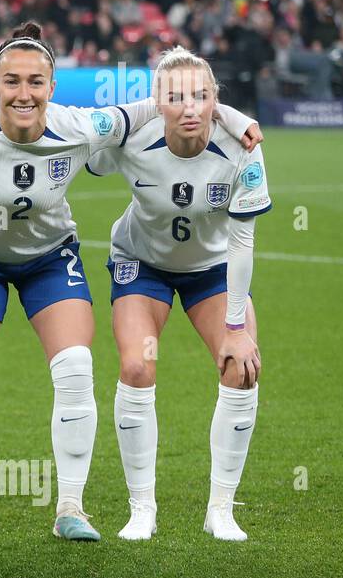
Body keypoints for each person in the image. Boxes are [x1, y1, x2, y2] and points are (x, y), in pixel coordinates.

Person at [0, 22, 260, 543]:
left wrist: (230, 114)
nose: (24, 93)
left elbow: (157, 106)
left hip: (51, 258)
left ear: (53, 88)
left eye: (36, 82)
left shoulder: (83, 125)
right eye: (12, 81)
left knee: (76, 366)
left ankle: (71, 507)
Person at [86, 47, 270, 541]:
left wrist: (235, 328)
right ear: (156, 103)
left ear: (216, 100)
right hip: (141, 264)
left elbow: (242, 240)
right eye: (176, 98)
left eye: (202, 96)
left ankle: (221, 509)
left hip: (212, 269)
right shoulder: (134, 138)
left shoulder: (243, 147)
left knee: (242, 368)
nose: (190, 108)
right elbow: (86, 138)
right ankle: (141, 507)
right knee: (137, 367)